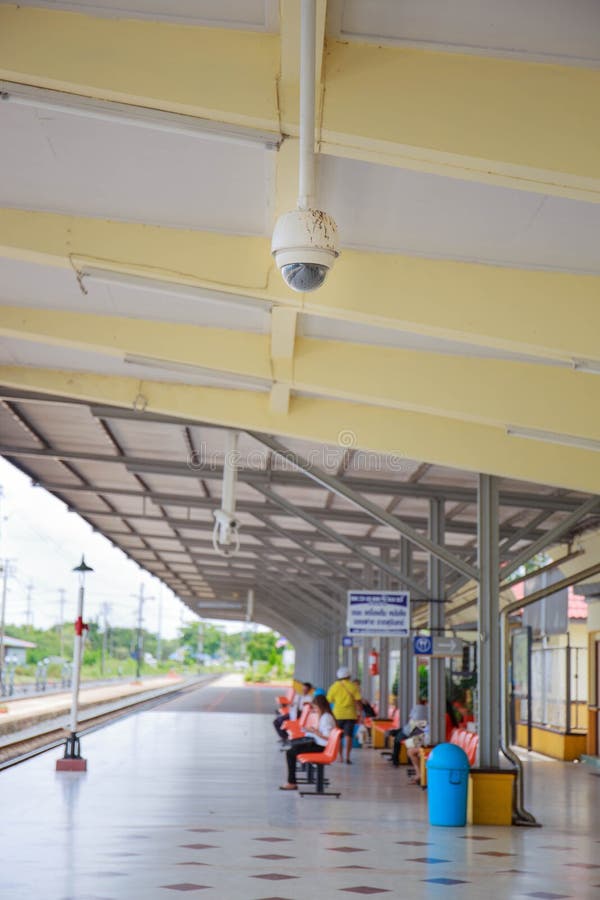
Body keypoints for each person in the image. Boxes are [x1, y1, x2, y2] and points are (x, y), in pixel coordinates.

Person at [279, 694, 336, 791]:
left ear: (321, 706)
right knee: (293, 748)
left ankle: (292, 782)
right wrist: (311, 730)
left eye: (315, 708)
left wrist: (315, 732)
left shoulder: (326, 717)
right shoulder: (325, 716)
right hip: (318, 743)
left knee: (290, 752)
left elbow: (328, 737)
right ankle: (291, 781)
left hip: (320, 747)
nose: (315, 710)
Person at [326, 666, 362, 764]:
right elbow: (358, 701)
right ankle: (348, 757)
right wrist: (360, 713)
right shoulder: (353, 686)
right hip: (350, 715)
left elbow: (329, 700)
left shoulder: (334, 687)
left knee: (338, 736)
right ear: (349, 676)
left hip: (337, 715)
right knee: (348, 736)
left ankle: (340, 757)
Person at [390, 698, 428, 767]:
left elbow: (411, 720)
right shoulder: (429, 709)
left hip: (413, 732)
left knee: (397, 739)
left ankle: (395, 760)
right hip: (418, 732)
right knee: (400, 733)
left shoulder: (416, 707)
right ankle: (394, 732)